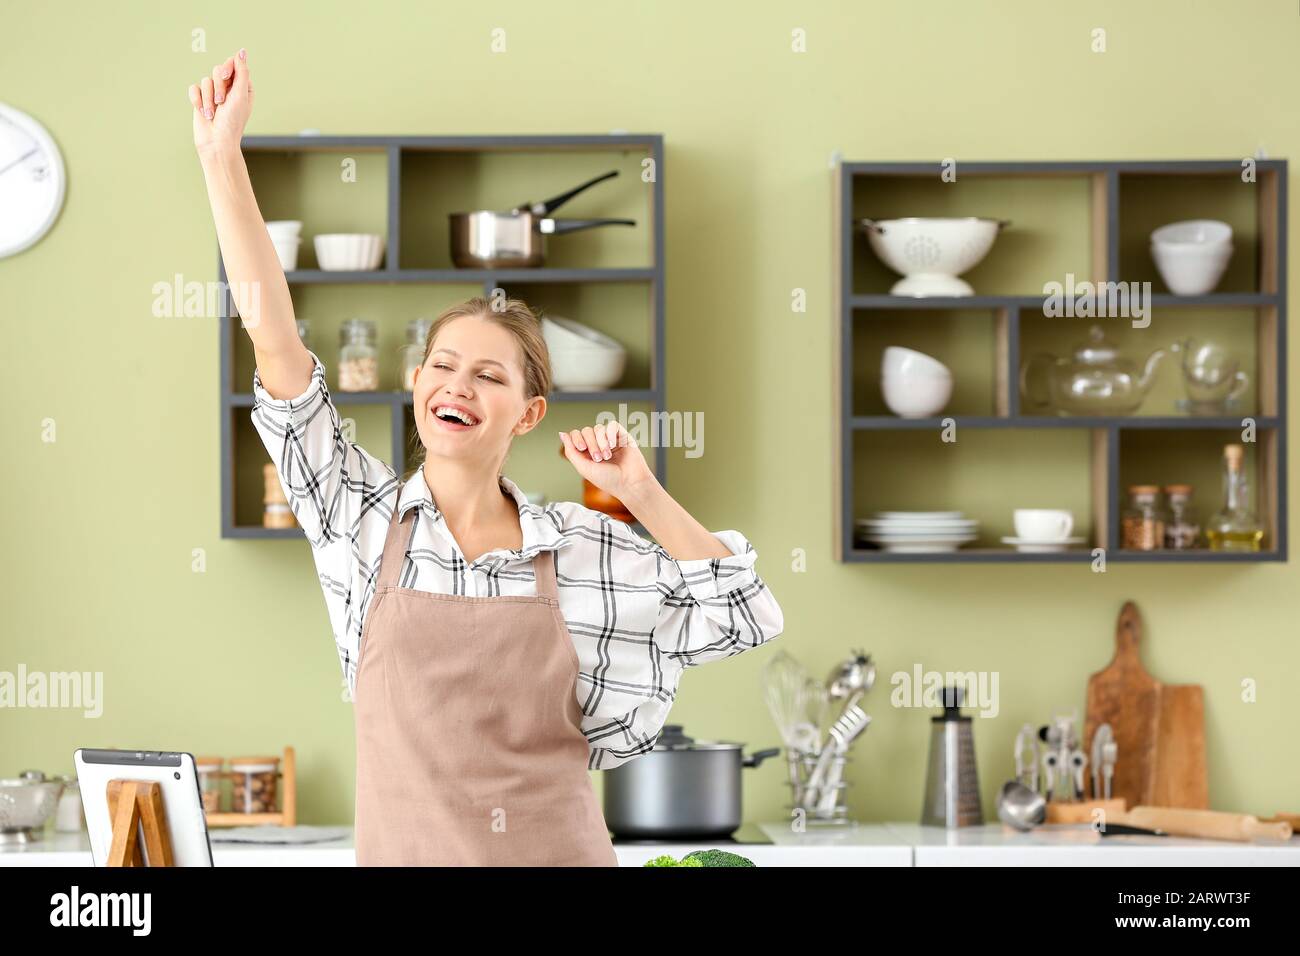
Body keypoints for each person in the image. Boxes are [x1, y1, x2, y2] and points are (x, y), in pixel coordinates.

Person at [189, 49, 784, 866]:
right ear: (414, 384)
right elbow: (275, 339)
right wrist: (222, 159)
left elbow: (744, 615)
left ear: (528, 413)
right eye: (441, 364)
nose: (456, 383)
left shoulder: (579, 550)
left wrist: (641, 490)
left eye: (488, 374)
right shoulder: (357, 521)